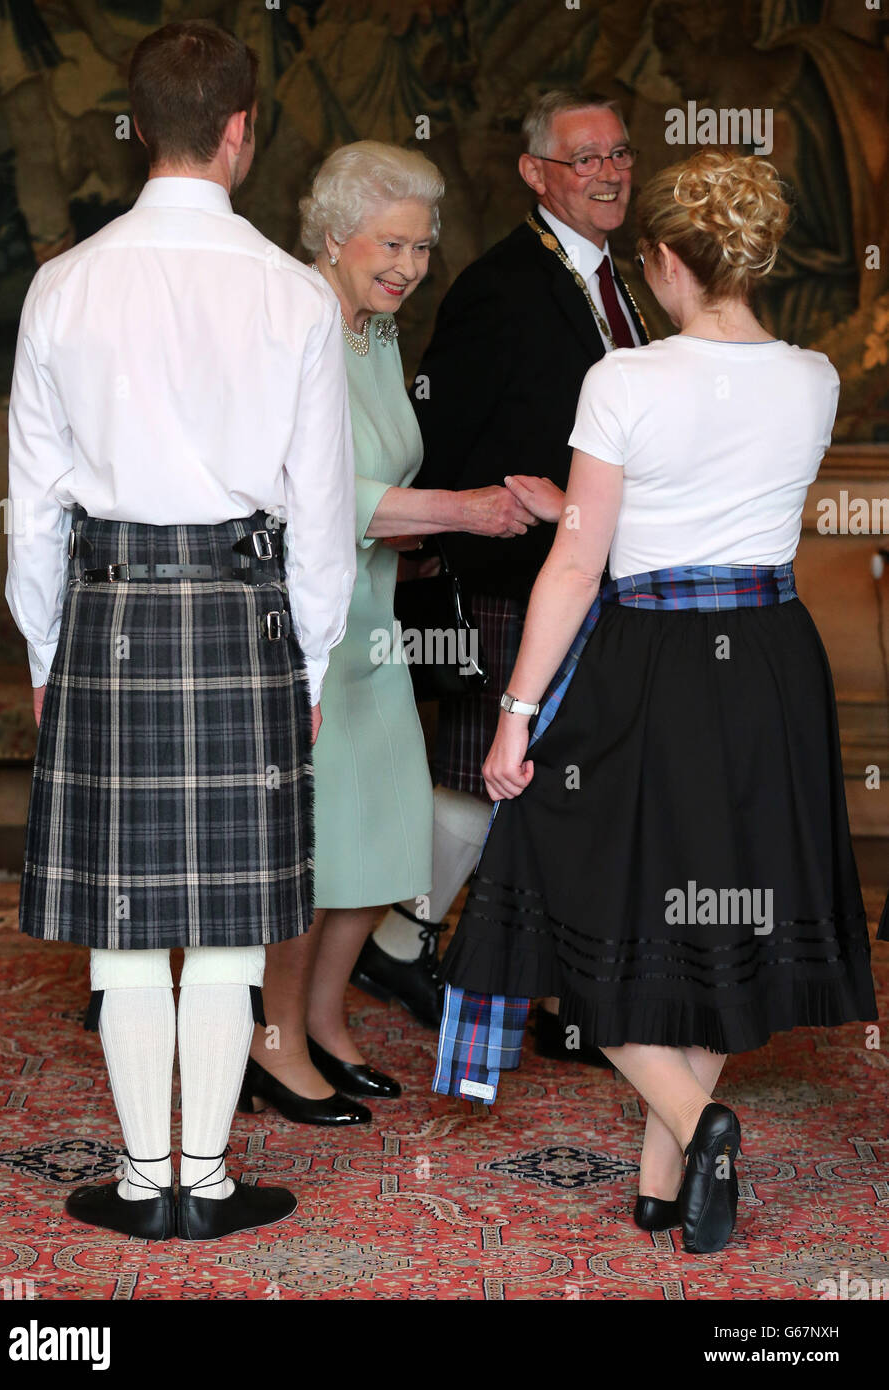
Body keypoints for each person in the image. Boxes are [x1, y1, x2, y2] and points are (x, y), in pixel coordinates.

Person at [439, 150, 878, 1254]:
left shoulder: (625, 381)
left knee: (571, 892)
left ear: (671, 260)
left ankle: (694, 1121)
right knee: (720, 905)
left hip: (649, 662)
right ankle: (662, 1172)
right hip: (773, 661)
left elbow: (579, 567)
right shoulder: (817, 375)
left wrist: (515, 710)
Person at [5, 20, 356, 1241]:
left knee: (123, 918)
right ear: (242, 130)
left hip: (103, 615)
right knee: (224, 920)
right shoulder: (292, 292)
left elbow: (32, 501)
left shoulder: (63, 284)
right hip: (242, 610)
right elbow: (321, 514)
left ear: (138, 125)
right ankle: (203, 1181)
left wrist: (44, 649)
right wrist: (308, 657)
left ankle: (146, 1175)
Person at [239, 140, 538, 1126]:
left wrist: (425, 532)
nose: (410, 264)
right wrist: (460, 511)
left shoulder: (375, 331)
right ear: (333, 234)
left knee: (381, 830)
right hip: (304, 629)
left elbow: (384, 477)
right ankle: (271, 1039)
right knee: (317, 846)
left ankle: (323, 1019)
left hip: (371, 622)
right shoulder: (294, 323)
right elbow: (310, 494)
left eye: (422, 245)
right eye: (392, 242)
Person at [355, 90, 648, 1057]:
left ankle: (556, 978)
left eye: (618, 154)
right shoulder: (500, 283)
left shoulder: (630, 283)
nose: (608, 171)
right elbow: (439, 436)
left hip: (601, 577)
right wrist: (446, 523)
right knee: (485, 775)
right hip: (510, 574)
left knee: (566, 783)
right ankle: (401, 936)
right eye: (584, 157)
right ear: (535, 173)